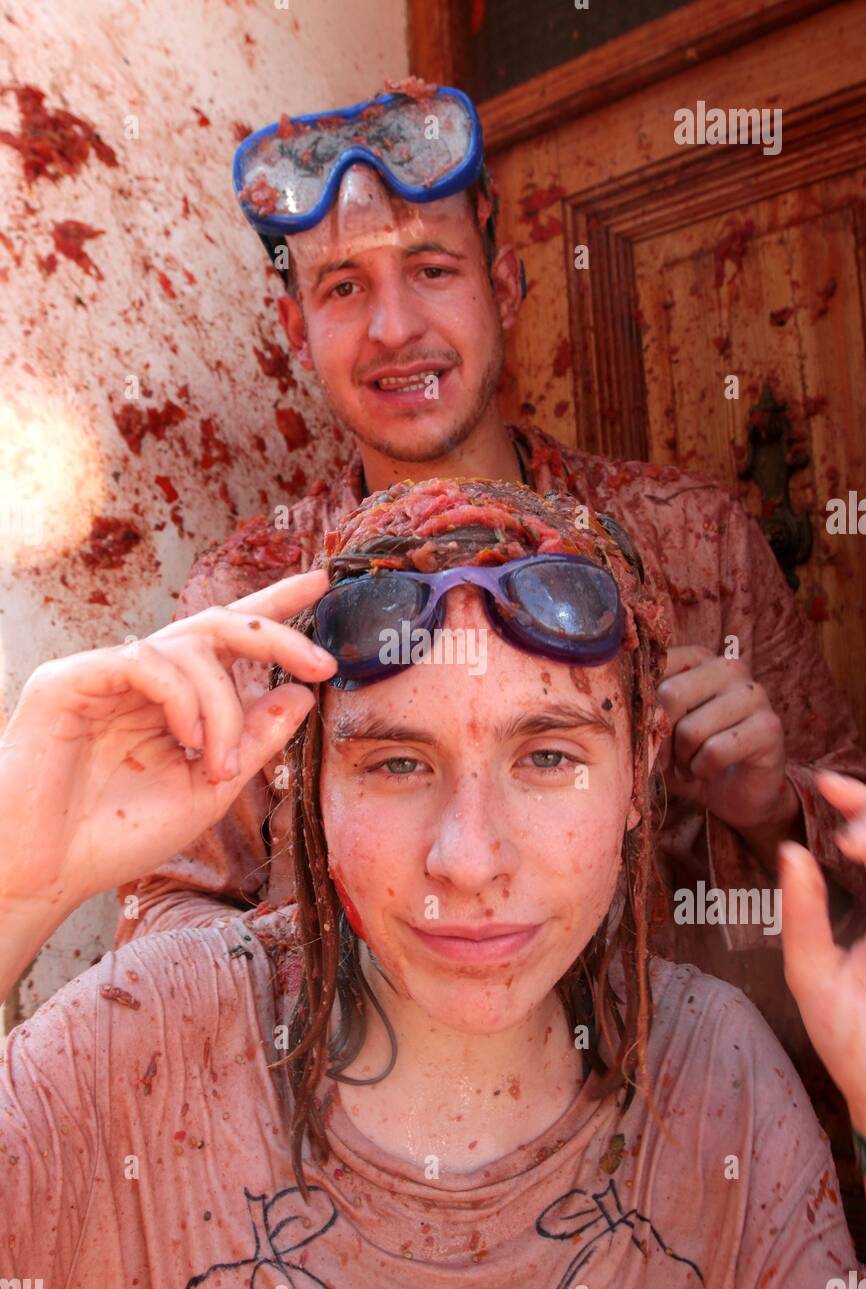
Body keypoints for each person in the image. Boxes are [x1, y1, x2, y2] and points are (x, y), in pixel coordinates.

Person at [117, 82, 866, 1034]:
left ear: (504, 289)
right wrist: (347, 941)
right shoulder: (251, 592)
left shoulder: (694, 538)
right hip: (362, 1155)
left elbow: (855, 862)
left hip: (674, 1132)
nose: (394, 328)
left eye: (432, 269)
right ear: (297, 331)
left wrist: (767, 810)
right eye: (345, 287)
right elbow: (156, 925)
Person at [1, 478, 864, 1289]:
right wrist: (16, 889)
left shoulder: (721, 1076)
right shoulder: (137, 1047)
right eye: (399, 763)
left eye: (548, 758)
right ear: (309, 781)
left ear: (640, 777)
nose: (469, 859)